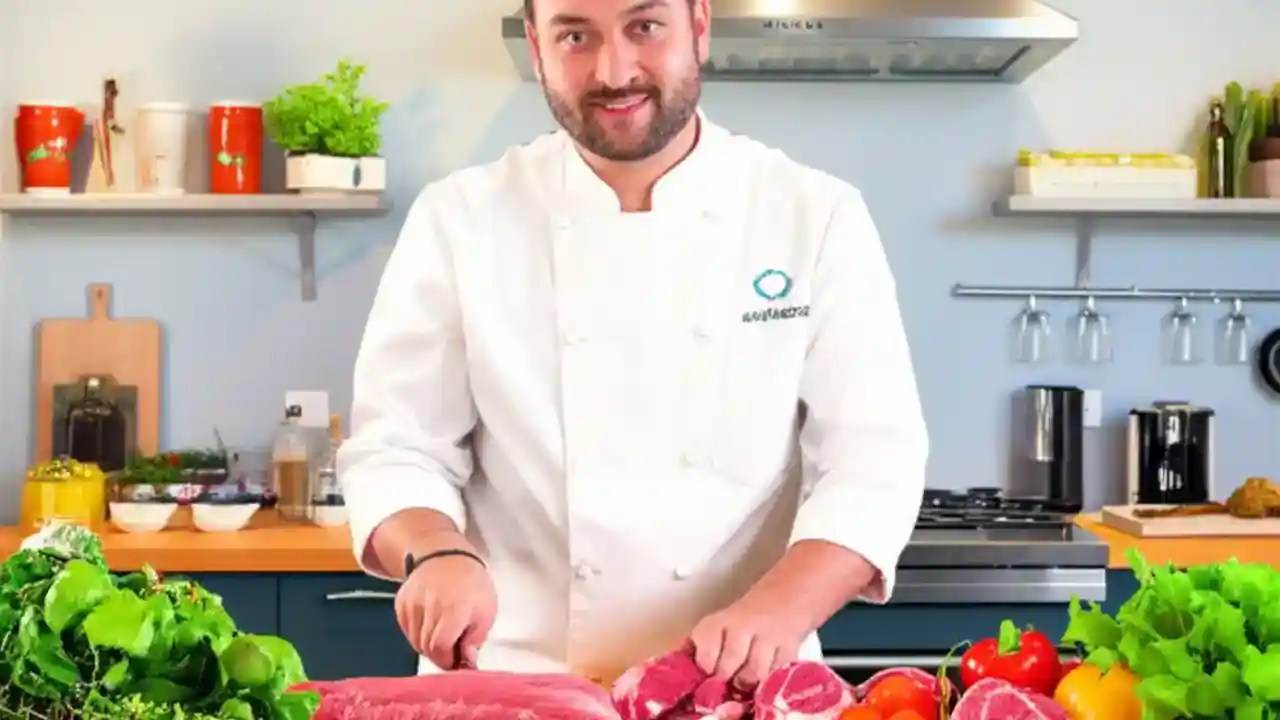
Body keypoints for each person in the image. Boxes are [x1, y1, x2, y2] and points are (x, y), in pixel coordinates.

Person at [337, 0, 929, 690]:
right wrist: (437, 552)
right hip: (514, 677)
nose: (614, 71)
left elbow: (872, 461)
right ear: (536, 45)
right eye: (575, 35)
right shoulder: (460, 218)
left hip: (737, 681)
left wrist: (778, 611)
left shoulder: (812, 214)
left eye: (644, 26)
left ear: (699, 26)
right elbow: (397, 446)